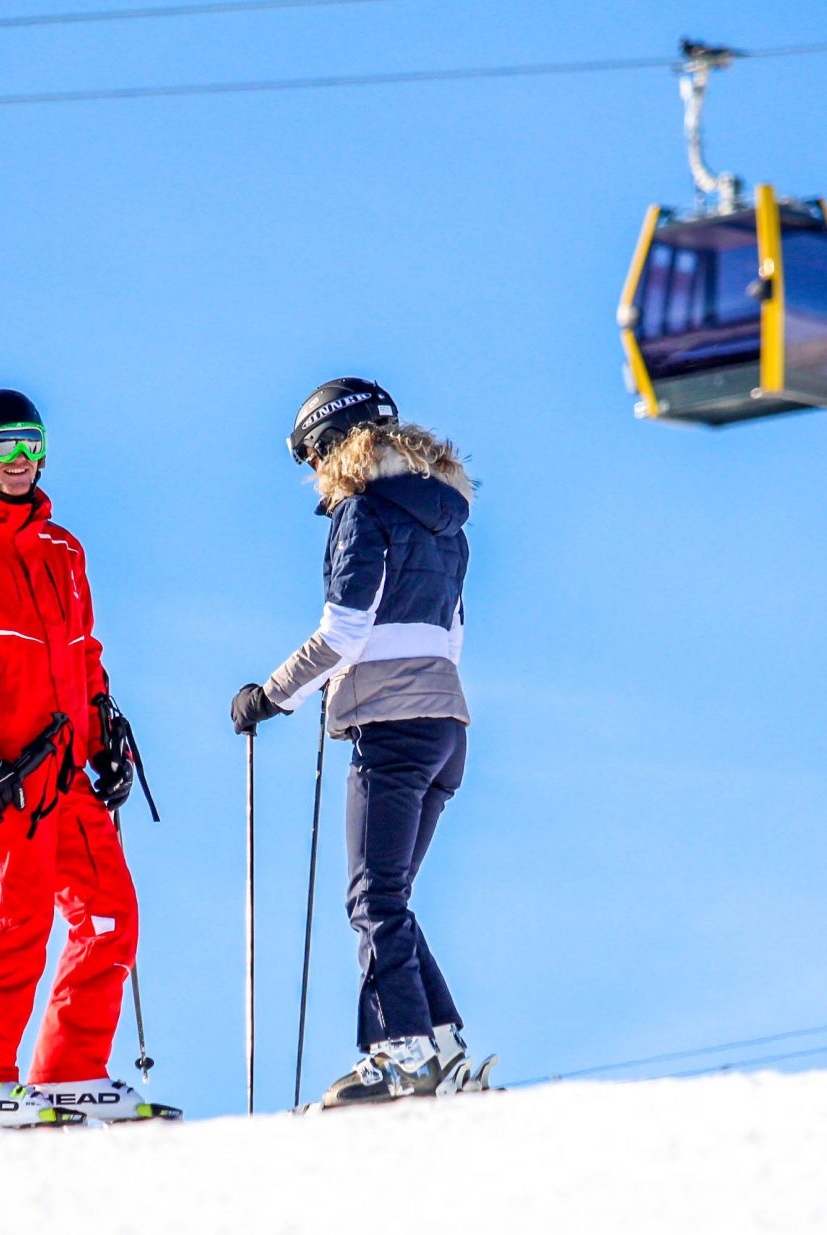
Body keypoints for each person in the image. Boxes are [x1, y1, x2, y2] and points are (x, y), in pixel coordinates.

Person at [0, 388, 164, 1130]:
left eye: (30, 444)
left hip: (65, 771)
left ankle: (69, 1077)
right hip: (4, 775)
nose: (20, 460)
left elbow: (85, 655)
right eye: (2, 447)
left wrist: (104, 733)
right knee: (17, 920)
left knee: (111, 917)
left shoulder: (62, 548)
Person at [230, 377, 490, 1107]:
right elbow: (452, 633)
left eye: (312, 455)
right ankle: (442, 1046)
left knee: (371, 898)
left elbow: (343, 631)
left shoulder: (362, 509)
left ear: (331, 444)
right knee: (389, 898)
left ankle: (400, 1055)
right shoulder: (447, 516)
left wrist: (271, 695)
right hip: (445, 727)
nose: (314, 473)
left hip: (392, 730)